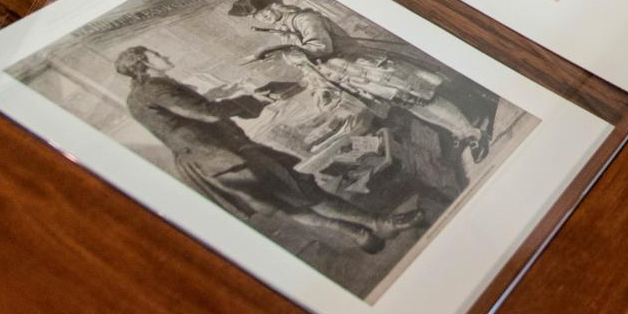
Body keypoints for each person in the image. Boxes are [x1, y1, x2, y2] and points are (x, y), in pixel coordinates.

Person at [115, 45, 422, 254]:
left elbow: (188, 117)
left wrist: (240, 98)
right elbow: (206, 113)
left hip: (211, 163)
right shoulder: (156, 87)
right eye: (155, 53)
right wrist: (256, 101)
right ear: (144, 63)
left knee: (288, 203)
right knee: (300, 191)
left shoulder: (137, 97)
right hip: (230, 157)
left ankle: (360, 234)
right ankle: (379, 225)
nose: (163, 54)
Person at [230, 0, 498, 162]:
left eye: (264, 12)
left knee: (422, 98)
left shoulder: (303, 19)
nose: (262, 19)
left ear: (274, 6)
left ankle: (472, 133)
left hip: (366, 66)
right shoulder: (285, 28)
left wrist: (280, 47)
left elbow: (321, 47)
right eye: (258, 17)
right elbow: (308, 63)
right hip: (353, 76)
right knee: (410, 104)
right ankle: (462, 131)